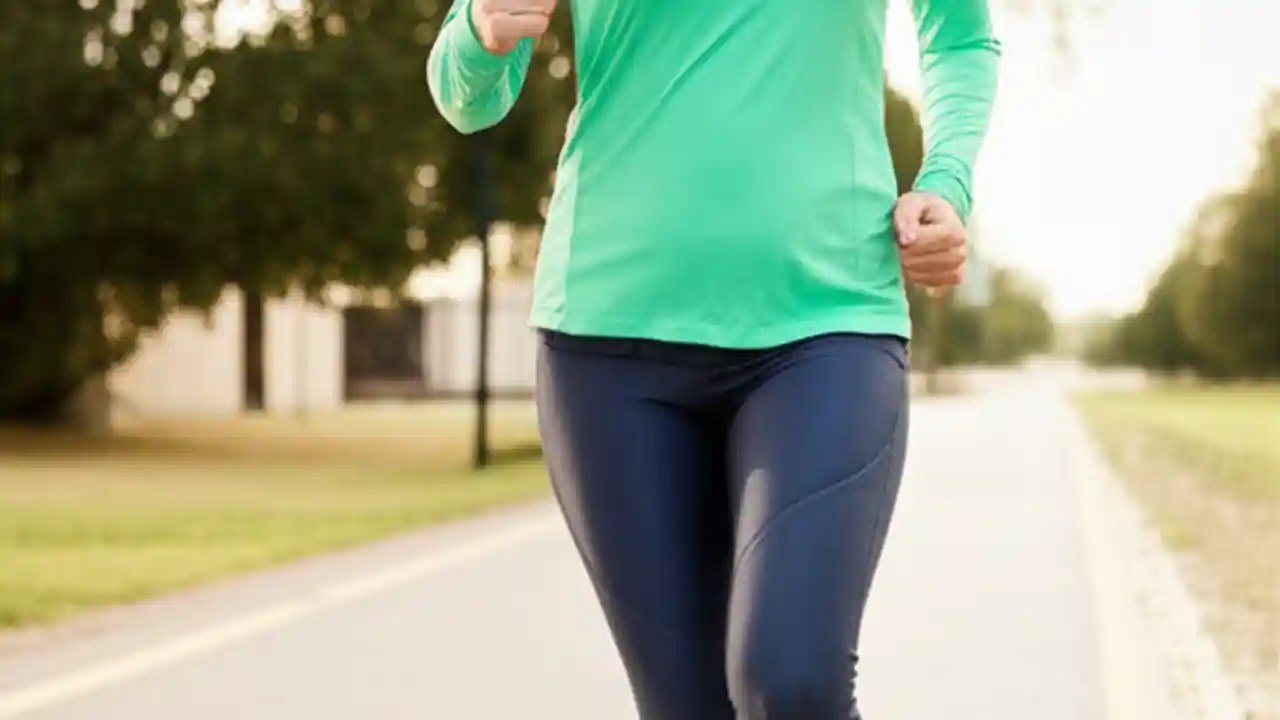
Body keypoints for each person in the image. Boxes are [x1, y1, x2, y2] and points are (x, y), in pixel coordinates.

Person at [428, 0, 999, 716]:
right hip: (607, 343)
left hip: (827, 321)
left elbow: (961, 34)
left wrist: (946, 180)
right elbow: (465, 97)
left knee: (793, 682)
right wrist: (483, 30)